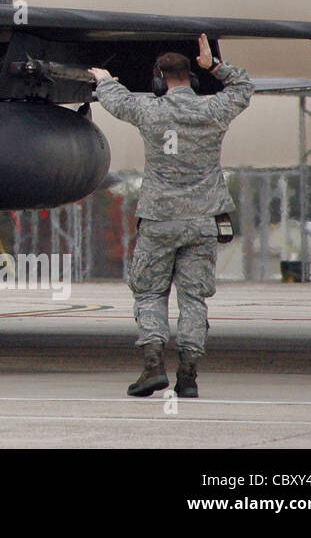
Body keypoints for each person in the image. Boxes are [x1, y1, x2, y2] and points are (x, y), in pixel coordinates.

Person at [88, 33, 254, 398]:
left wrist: (104, 78)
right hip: (203, 221)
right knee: (194, 299)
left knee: (149, 294)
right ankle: (189, 376)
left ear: (158, 81)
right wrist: (213, 65)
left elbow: (116, 101)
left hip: (160, 221)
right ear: (191, 79)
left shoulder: (150, 111)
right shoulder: (213, 111)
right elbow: (243, 87)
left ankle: (152, 367)